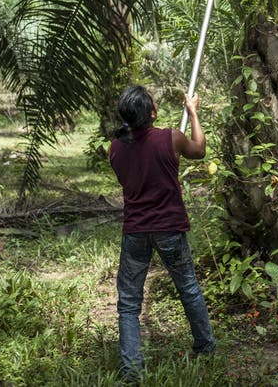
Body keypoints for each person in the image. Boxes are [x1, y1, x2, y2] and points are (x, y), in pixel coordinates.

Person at [109, 85, 216, 383]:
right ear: (152, 113)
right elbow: (199, 150)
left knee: (129, 303)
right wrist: (193, 112)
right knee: (188, 288)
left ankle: (132, 370)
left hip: (136, 231)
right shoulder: (171, 138)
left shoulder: (115, 148)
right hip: (170, 228)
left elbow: (131, 178)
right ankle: (205, 349)